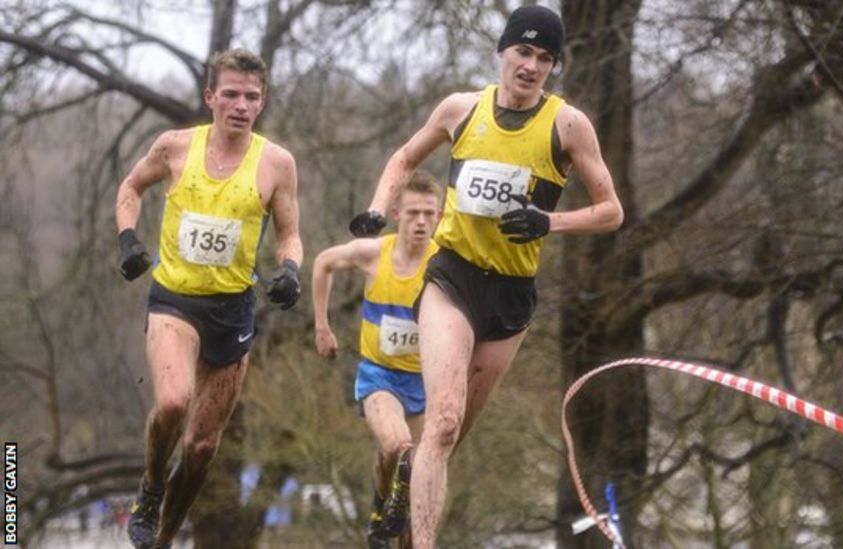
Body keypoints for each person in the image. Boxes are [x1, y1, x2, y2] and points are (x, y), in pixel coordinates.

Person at [348, 5, 624, 548]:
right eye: (523, 52)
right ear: (502, 52)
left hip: (511, 299)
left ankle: (402, 505)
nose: (531, 66)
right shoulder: (461, 109)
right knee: (443, 422)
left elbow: (611, 210)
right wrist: (379, 208)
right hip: (452, 280)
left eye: (545, 58)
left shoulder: (567, 125)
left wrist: (550, 221)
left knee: (443, 442)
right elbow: (404, 158)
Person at [114, 48, 303, 549]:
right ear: (211, 97)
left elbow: (290, 235)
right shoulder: (175, 147)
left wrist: (290, 270)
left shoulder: (277, 163)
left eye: (252, 96)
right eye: (232, 94)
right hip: (174, 300)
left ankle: (165, 536)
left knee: (201, 447)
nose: (242, 105)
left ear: (261, 102)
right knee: (173, 402)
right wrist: (128, 238)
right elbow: (130, 187)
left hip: (232, 309)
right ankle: (151, 490)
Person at [313, 173, 442, 548]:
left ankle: (388, 520)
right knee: (397, 446)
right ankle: (379, 506)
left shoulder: (446, 262)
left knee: (416, 482)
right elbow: (322, 263)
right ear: (397, 214)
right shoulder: (374, 254)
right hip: (379, 375)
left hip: (425, 381)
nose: (421, 222)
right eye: (414, 213)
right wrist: (322, 326)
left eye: (429, 214)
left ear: (438, 218)